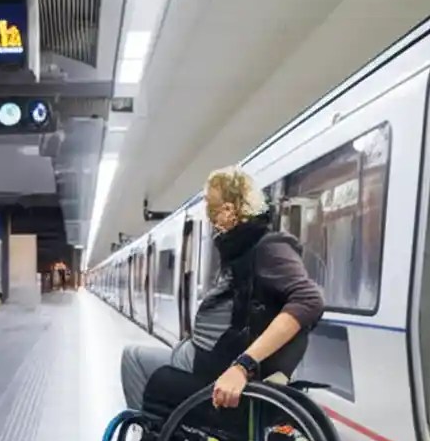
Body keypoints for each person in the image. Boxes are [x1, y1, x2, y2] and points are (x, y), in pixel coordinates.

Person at [120, 166, 324, 425]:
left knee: (133, 357)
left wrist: (243, 365)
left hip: (216, 365)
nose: (212, 221)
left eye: (212, 211)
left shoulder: (268, 247)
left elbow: (309, 300)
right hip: (211, 357)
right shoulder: (245, 248)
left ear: (229, 210)